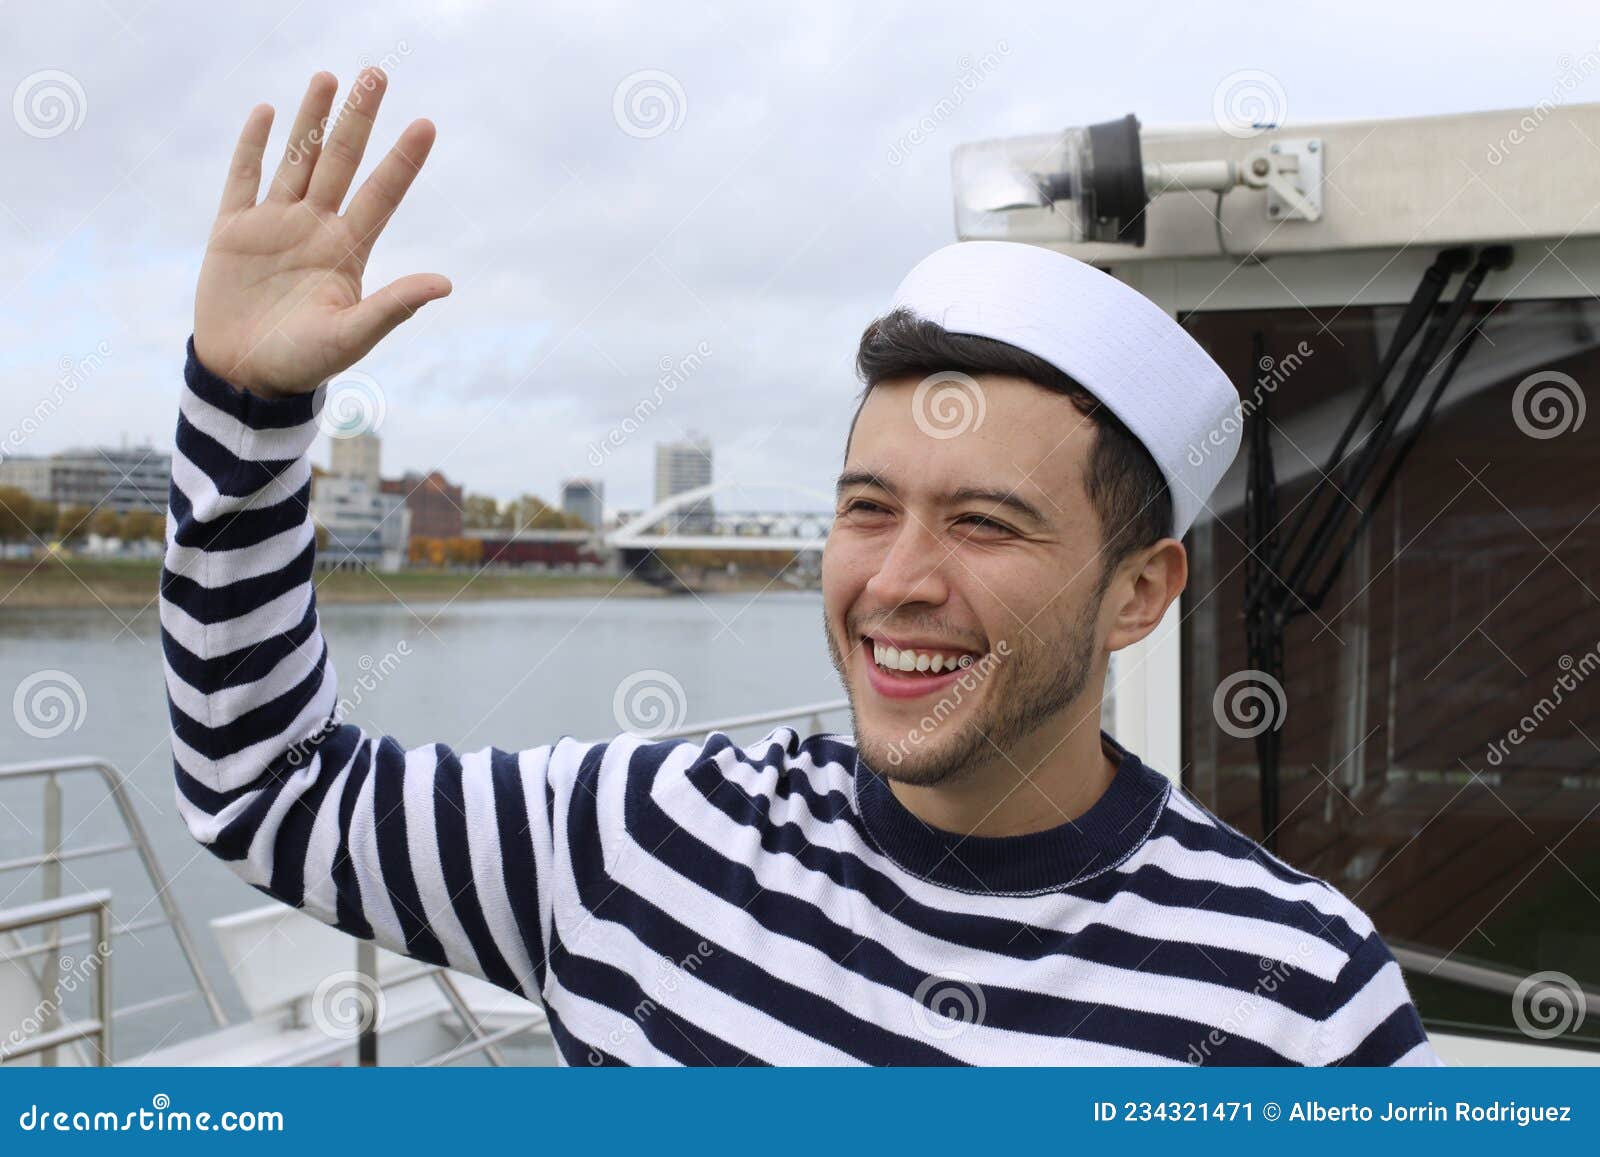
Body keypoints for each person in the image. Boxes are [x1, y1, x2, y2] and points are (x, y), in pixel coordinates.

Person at [162, 68, 1441, 1066]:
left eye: (985, 524)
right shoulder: (644, 833)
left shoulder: (1295, 996)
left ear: (1139, 591)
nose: (898, 577)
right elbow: (268, 793)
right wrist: (243, 404)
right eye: (867, 506)